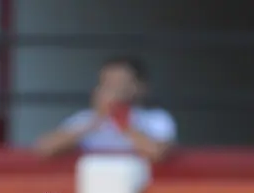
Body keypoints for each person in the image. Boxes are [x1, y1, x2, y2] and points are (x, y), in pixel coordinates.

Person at [34, 55, 176, 163]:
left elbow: (156, 152)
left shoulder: (156, 118)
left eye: (120, 83)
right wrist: (96, 119)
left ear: (139, 87)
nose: (113, 89)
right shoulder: (86, 119)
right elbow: (44, 148)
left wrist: (121, 120)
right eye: (107, 83)